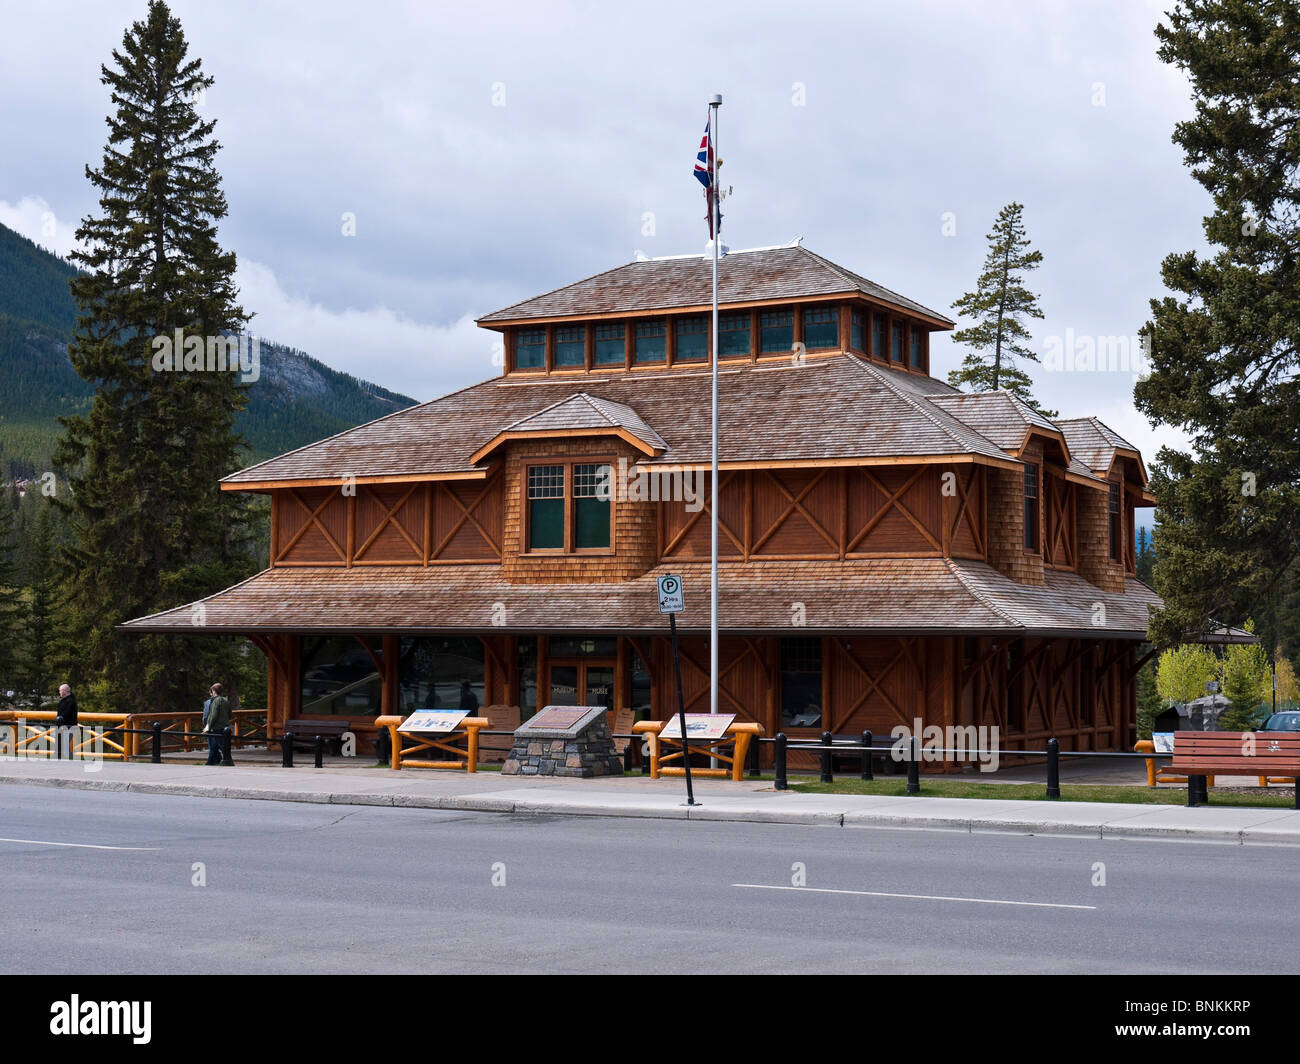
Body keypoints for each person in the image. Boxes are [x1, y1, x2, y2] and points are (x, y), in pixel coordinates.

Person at [202, 683, 232, 766]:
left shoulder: (215, 701)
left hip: (216, 727)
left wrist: (207, 727)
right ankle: (211, 762)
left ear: (214, 691)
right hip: (225, 727)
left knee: (221, 747)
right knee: (218, 746)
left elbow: (213, 715)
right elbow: (230, 715)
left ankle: (228, 762)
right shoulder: (226, 700)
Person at [54, 683, 77, 760]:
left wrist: (61, 717)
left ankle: (69, 761)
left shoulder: (71, 701)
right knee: (61, 744)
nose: (59, 692)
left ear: (65, 691)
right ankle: (61, 760)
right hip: (62, 726)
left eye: (60, 690)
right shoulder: (64, 701)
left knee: (66, 745)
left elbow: (68, 712)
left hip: (69, 726)